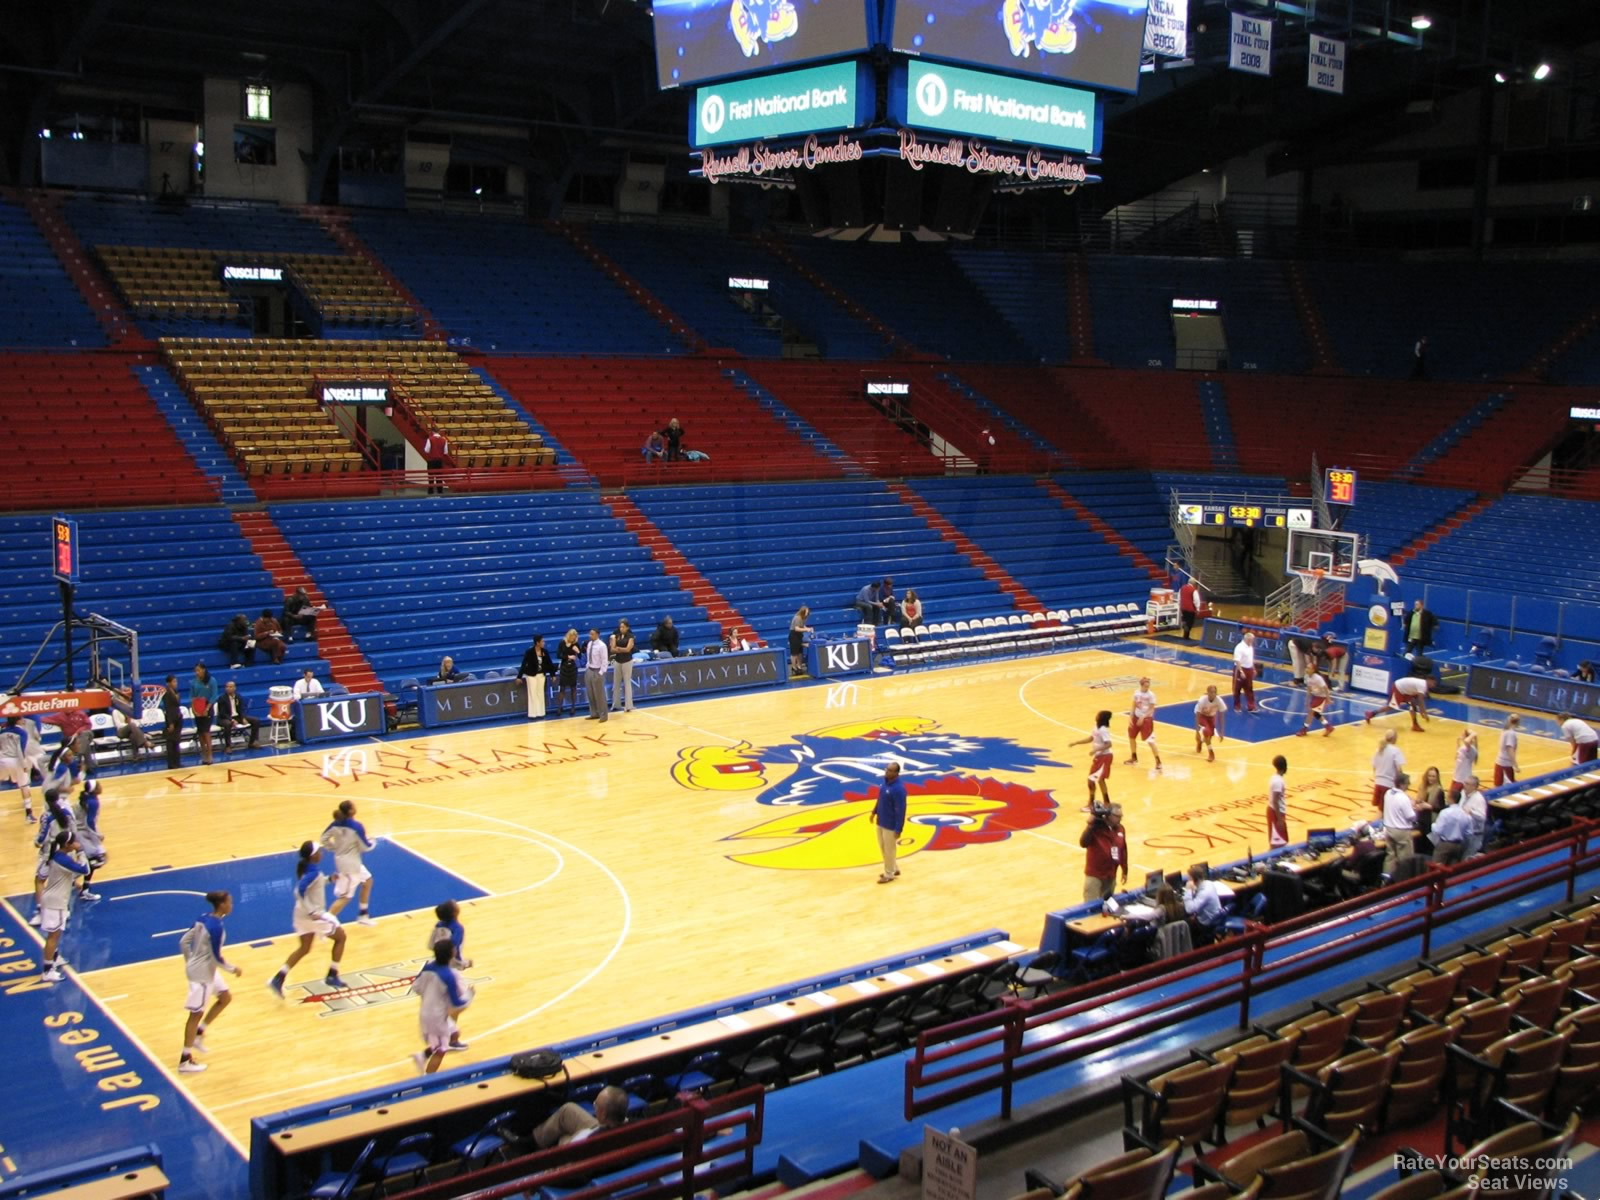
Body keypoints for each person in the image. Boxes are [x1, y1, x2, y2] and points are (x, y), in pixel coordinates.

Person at [267, 841, 347, 997]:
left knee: (304, 948)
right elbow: (298, 891)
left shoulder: (309, 870)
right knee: (341, 937)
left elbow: (315, 884)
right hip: (313, 916)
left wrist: (330, 879)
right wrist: (312, 911)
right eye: (319, 851)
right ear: (313, 855)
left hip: (299, 914)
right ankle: (332, 975)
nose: (322, 853)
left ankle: (278, 978)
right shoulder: (312, 872)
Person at [178, 890, 244, 1074]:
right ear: (221, 905)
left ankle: (199, 1034)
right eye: (229, 902)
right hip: (203, 973)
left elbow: (183, 942)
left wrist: (190, 961)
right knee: (195, 1014)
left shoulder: (202, 918)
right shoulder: (216, 927)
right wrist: (233, 969)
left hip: (201, 968)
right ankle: (185, 1061)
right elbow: (216, 958)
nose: (231, 905)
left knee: (225, 997)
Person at [411, 939, 472, 1074]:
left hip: (426, 1011)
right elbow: (457, 1002)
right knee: (442, 1050)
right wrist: (469, 995)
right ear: (451, 954)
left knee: (454, 1034)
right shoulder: (448, 976)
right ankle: (428, 1080)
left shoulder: (427, 967)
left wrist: (431, 993)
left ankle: (422, 1056)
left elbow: (416, 987)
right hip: (437, 1015)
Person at [39, 831, 89, 983]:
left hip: (52, 899)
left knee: (54, 934)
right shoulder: (63, 859)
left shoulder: (57, 857)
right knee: (53, 936)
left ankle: (54, 958)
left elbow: (44, 874)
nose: (76, 843)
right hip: (56, 902)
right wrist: (80, 851)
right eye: (74, 841)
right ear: (68, 845)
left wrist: (73, 882)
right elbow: (85, 870)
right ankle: (47, 970)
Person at [320, 800, 378, 926]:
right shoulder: (356, 826)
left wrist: (334, 847)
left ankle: (363, 915)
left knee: (368, 881)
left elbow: (323, 838)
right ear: (351, 811)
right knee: (346, 897)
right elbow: (365, 847)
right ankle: (326, 921)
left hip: (346, 861)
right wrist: (373, 842)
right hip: (350, 866)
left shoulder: (335, 824)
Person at [535, 1085, 629, 1148]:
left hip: (587, 1144)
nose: (594, 1107)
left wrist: (564, 1140)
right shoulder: (634, 1124)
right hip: (603, 1128)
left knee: (563, 1138)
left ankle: (531, 1147)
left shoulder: (589, 1139)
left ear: (604, 1115)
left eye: (596, 1105)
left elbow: (572, 1150)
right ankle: (535, 1139)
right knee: (568, 1110)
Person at [1078, 802, 1127, 902]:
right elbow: (1083, 843)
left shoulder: (1121, 829)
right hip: (1095, 875)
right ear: (1108, 815)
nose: (1120, 819)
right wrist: (1090, 825)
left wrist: (1124, 869)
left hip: (1111, 874)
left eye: (1121, 816)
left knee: (1107, 905)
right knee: (1089, 907)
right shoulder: (1095, 828)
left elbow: (1123, 849)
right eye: (1117, 816)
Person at [869, 762, 907, 884]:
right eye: (887, 769)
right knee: (883, 847)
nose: (887, 772)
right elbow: (880, 799)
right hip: (881, 820)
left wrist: (898, 829)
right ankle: (894, 868)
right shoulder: (885, 784)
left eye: (890, 770)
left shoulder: (899, 789)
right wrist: (874, 812)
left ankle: (889, 874)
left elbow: (901, 810)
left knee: (889, 849)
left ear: (896, 773)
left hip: (890, 824)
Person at [1071, 711, 1115, 805]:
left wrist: (1095, 750)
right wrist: (1077, 742)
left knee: (1091, 780)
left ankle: (1091, 803)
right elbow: (1091, 738)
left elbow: (1109, 744)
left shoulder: (1103, 730)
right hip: (1099, 757)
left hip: (1105, 756)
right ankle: (1107, 802)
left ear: (1101, 718)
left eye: (1098, 715)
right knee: (1100, 780)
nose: (1096, 715)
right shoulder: (1096, 727)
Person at [1382, 771, 1418, 877]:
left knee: (1390, 857)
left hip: (1388, 829)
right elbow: (1411, 816)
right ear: (1401, 784)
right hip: (1401, 831)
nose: (1409, 785)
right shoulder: (1403, 798)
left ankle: (1386, 879)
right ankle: (1404, 880)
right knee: (1405, 858)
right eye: (1407, 783)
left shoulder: (1388, 793)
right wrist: (1413, 807)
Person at [1365, 675, 1430, 733]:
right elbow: (1420, 700)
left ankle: (1415, 725)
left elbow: (1420, 699)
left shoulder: (1423, 683)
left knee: (1412, 704)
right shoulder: (1423, 685)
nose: (1434, 685)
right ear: (1429, 680)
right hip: (1399, 688)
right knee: (1392, 706)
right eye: (1433, 683)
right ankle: (1371, 713)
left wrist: (1423, 711)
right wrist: (1423, 712)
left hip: (1405, 690)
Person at [0, 718, 36, 821]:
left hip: (3, 760)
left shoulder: (2, 731)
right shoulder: (22, 732)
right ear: (18, 721)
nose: (23, 720)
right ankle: (29, 814)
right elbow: (20, 749)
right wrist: (23, 764)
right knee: (24, 786)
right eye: (21, 718)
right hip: (16, 760)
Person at [1125, 677, 1162, 770]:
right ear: (1141, 685)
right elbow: (1133, 705)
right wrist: (1130, 717)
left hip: (1146, 720)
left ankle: (1158, 761)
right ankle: (1134, 757)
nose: (1147, 687)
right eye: (1146, 686)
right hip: (1136, 717)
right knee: (1131, 736)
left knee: (1150, 741)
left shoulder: (1151, 695)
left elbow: (1152, 709)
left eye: (1148, 685)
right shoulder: (1136, 693)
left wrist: (1143, 717)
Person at [1183, 864, 1225, 945]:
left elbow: (1189, 909)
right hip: (1213, 916)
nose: (1187, 881)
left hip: (1207, 923)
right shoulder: (1208, 883)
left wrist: (1188, 890)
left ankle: (1191, 948)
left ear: (1193, 879)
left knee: (1183, 923)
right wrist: (1194, 890)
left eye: (1189, 878)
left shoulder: (1204, 893)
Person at [214, 680, 261, 753]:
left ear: (234, 688)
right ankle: (228, 746)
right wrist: (231, 720)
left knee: (256, 720)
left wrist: (243, 718)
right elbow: (222, 713)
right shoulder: (222, 698)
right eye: (227, 687)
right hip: (224, 718)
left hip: (237, 717)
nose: (228, 688)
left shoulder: (238, 697)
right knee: (228, 724)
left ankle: (252, 742)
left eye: (230, 687)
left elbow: (241, 709)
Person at [519, 634, 556, 719]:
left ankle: (541, 713)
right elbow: (524, 664)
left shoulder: (544, 652)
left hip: (541, 675)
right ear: (537, 642)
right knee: (532, 694)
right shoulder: (529, 652)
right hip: (531, 675)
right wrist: (519, 676)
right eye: (542, 641)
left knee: (540, 694)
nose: (544, 643)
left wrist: (552, 674)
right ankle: (532, 714)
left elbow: (549, 663)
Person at [1430, 793, 1471, 867]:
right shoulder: (1465, 815)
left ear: (1450, 799)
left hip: (1445, 844)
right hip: (1458, 845)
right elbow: (1469, 832)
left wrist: (1433, 825)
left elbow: (1437, 830)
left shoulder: (1445, 812)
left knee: (1436, 868)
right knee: (1452, 870)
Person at [429, 899, 472, 970]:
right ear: (454, 912)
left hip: (438, 959)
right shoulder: (458, 928)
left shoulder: (438, 925)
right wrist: (463, 963)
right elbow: (454, 947)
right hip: (452, 962)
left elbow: (431, 945)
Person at [189, 664, 217, 766]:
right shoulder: (193, 682)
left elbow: (214, 695)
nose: (197, 672)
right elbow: (192, 696)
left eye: (199, 670)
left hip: (207, 706)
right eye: (196, 671)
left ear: (204, 670)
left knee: (206, 732)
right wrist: (193, 709)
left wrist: (207, 708)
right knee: (200, 733)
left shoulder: (211, 680)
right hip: (197, 707)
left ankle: (210, 755)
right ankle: (204, 754)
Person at [1371, 730, 1406, 808]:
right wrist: (1402, 783)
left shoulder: (1379, 749)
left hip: (1378, 783)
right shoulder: (1396, 750)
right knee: (1386, 810)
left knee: (1380, 809)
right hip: (1389, 785)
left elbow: (1374, 767)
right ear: (1394, 738)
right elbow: (1399, 769)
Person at [1297, 667, 1334, 737]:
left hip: (1322, 696)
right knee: (1316, 713)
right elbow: (1309, 689)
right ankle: (1328, 727)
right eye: (1306, 667)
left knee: (1311, 712)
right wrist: (1307, 700)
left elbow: (1325, 688)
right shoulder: (1306, 677)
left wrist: (1328, 699)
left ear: (1313, 670)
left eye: (1308, 668)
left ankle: (1304, 730)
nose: (1306, 669)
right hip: (1316, 696)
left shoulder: (1318, 678)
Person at [610, 620, 636, 713]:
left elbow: (628, 649)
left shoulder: (631, 636)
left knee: (627, 682)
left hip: (627, 661)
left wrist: (619, 649)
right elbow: (612, 649)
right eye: (620, 627)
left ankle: (628, 705)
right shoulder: (616, 635)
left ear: (627, 627)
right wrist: (620, 649)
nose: (621, 629)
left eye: (623, 627)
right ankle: (616, 704)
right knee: (616, 683)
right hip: (618, 661)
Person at [583, 628, 609, 722]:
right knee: (590, 694)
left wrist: (601, 672)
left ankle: (603, 715)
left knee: (599, 695)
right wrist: (587, 668)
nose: (590, 636)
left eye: (592, 634)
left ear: (597, 635)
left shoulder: (602, 646)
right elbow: (588, 658)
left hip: (597, 671)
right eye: (590, 634)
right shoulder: (589, 644)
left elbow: (604, 660)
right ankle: (594, 713)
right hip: (590, 669)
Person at [1194, 685, 1226, 762]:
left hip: (1211, 717)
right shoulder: (1202, 700)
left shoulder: (1219, 701)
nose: (1213, 694)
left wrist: (1221, 732)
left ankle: (1200, 742)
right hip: (1202, 716)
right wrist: (1197, 731)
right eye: (1211, 692)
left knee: (1210, 735)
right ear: (1207, 693)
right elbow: (1197, 715)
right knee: (1206, 731)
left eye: (1214, 692)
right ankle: (1211, 753)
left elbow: (1221, 717)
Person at [1231, 632, 1259, 713]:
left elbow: (1251, 658)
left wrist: (1253, 668)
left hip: (1249, 669)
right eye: (1252, 640)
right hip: (1240, 669)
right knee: (1237, 688)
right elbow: (1237, 660)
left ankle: (1251, 706)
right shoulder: (1239, 647)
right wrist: (1241, 671)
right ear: (1248, 639)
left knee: (1249, 688)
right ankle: (1237, 706)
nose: (1253, 641)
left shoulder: (1250, 647)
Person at [556, 628, 581, 715]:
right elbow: (558, 655)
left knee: (573, 688)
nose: (573, 639)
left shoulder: (576, 644)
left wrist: (578, 651)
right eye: (572, 636)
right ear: (569, 635)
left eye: (575, 637)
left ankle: (573, 707)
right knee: (562, 688)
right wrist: (568, 657)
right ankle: (559, 707)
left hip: (573, 668)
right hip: (564, 667)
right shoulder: (562, 643)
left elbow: (581, 656)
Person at [160, 674, 183, 769]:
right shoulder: (167, 693)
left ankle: (177, 762)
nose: (176, 683)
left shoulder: (175, 692)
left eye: (176, 681)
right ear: (168, 683)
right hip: (171, 718)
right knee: (171, 741)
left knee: (176, 741)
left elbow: (177, 704)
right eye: (174, 681)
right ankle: (171, 763)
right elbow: (168, 709)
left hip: (178, 716)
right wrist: (170, 723)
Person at [1461, 776, 1488, 857]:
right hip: (1463, 833)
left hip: (1474, 835)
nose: (1464, 785)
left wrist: (1471, 812)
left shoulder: (1479, 799)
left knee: (1467, 857)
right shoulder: (1462, 793)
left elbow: (1482, 817)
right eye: (1465, 783)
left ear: (1474, 786)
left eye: (1467, 784)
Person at [1266, 755, 1290, 848]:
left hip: (1275, 811)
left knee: (1281, 841)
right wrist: (1279, 819)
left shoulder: (1275, 778)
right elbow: (1275, 801)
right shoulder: (1278, 782)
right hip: (1275, 812)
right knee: (1277, 843)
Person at [1450, 731, 1478, 802]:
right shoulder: (1463, 748)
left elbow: (1466, 741)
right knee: (1451, 800)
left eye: (1463, 735)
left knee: (1455, 801)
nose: (1461, 735)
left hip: (1463, 780)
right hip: (1457, 778)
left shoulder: (1472, 749)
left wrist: (1473, 734)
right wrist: (1458, 742)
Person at [422, 426, 451, 494]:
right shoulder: (444, 440)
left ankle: (430, 491)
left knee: (431, 478)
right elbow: (445, 452)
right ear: (439, 431)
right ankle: (440, 491)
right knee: (439, 477)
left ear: (432, 432)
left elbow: (426, 450)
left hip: (431, 460)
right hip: (439, 461)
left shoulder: (430, 439)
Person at [1494, 715, 1521, 787]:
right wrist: (1515, 765)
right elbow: (1509, 749)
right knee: (1505, 789)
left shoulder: (1505, 730)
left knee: (1498, 787)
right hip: (1505, 765)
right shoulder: (1511, 733)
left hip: (1500, 762)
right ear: (1518, 723)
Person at [788, 607, 813, 676]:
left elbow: (802, 625)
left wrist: (808, 628)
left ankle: (799, 666)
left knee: (800, 652)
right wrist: (806, 630)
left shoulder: (803, 618)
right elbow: (797, 628)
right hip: (794, 635)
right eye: (806, 612)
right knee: (794, 653)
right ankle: (794, 667)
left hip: (799, 636)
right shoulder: (797, 617)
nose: (807, 613)